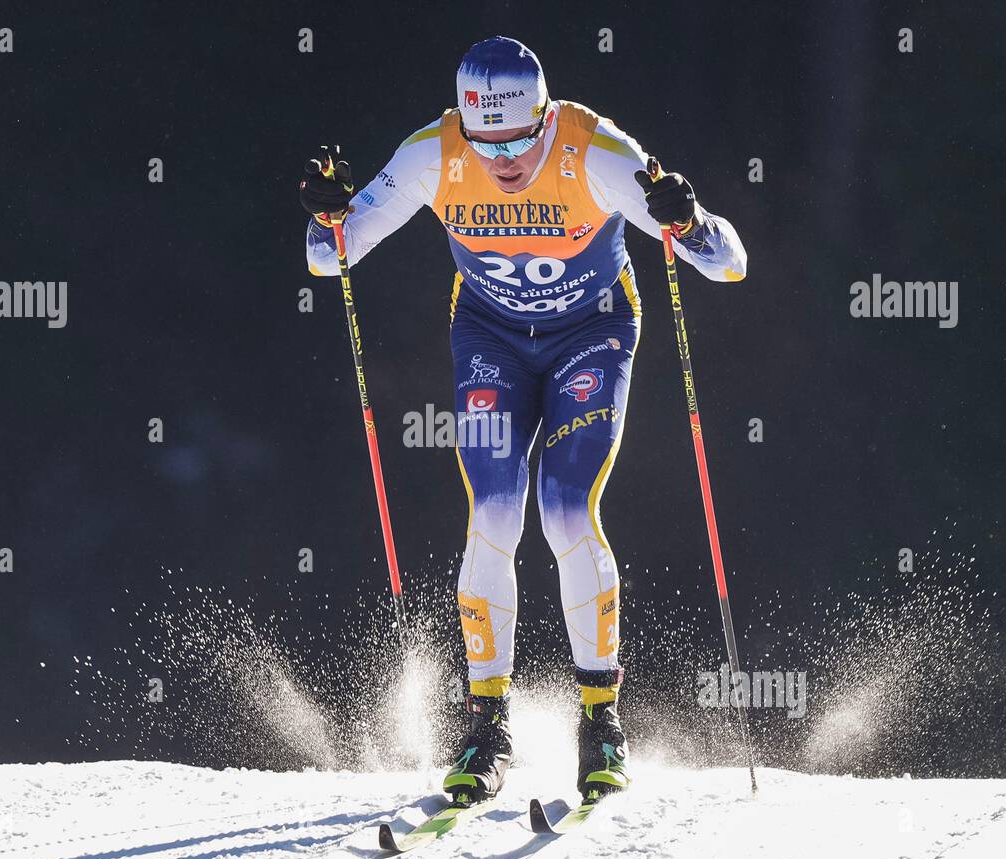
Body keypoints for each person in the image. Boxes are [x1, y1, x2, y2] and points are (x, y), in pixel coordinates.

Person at [299, 36, 747, 804]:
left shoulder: (596, 152)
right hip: (490, 342)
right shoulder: (429, 155)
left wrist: (691, 216)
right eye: (487, 143)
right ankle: (486, 727)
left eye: (519, 139)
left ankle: (602, 723)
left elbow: (729, 263)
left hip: (593, 336)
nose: (503, 159)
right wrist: (327, 217)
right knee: (494, 516)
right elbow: (327, 258)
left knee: (566, 510)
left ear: (544, 117)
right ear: (466, 128)